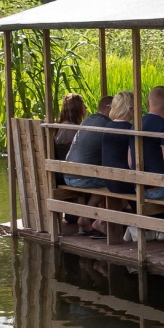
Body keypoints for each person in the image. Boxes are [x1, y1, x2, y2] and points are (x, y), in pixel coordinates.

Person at [63, 94, 112, 234]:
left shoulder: (88, 120)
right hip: (81, 178)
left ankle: (99, 218)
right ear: (109, 108)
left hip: (68, 175)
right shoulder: (107, 125)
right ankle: (90, 218)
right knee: (114, 182)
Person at [138, 85, 164, 198]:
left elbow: (130, 162)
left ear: (147, 102)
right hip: (160, 188)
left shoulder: (136, 124)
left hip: (138, 187)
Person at [100, 90, 136, 195]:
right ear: (130, 109)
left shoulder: (107, 127)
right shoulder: (130, 129)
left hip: (109, 181)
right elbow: (132, 163)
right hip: (125, 182)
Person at [53, 94, 86, 163]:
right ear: (77, 109)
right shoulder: (71, 129)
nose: (85, 108)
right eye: (83, 105)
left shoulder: (61, 126)